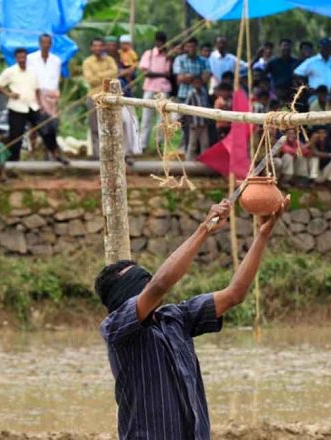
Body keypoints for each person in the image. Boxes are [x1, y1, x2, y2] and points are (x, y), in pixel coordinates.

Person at [95, 196, 289, 440]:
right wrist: (204, 229)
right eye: (140, 280)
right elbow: (160, 284)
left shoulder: (175, 318)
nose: (147, 283)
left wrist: (262, 235)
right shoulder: (116, 329)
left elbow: (234, 294)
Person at [0, 48, 45, 162]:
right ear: (16, 58)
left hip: (32, 106)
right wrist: (9, 94)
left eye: (23, 57)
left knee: (44, 129)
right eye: (19, 57)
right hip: (17, 106)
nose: (22, 59)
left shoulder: (33, 71)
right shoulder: (10, 71)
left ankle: (50, 155)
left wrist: (40, 103)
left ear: (26, 57)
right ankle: (14, 161)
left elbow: (37, 89)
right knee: (16, 135)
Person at [27, 33, 68, 164]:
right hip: (36, 95)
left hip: (51, 96)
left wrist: (55, 96)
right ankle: (32, 153)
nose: (46, 45)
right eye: (43, 43)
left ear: (51, 44)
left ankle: (49, 152)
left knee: (51, 125)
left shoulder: (56, 60)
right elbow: (31, 78)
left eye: (48, 43)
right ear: (39, 44)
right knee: (34, 126)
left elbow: (56, 79)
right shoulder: (31, 58)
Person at [83, 37, 119, 155]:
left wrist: (98, 75)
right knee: (94, 127)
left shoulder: (110, 60)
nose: (97, 48)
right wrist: (106, 77)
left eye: (100, 46)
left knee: (111, 125)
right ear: (91, 48)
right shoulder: (87, 62)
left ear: (103, 47)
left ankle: (111, 152)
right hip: (93, 97)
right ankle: (97, 154)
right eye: (95, 46)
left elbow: (115, 73)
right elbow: (90, 80)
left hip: (109, 98)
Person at [138, 32, 173, 151]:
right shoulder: (149, 54)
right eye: (158, 41)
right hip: (150, 88)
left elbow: (169, 74)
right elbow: (146, 73)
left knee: (162, 119)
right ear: (155, 42)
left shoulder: (168, 56)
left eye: (162, 42)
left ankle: (159, 144)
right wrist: (162, 74)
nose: (160, 44)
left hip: (164, 89)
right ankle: (143, 145)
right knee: (146, 118)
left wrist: (157, 74)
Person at [174, 37, 210, 103]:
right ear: (185, 48)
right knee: (183, 113)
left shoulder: (204, 61)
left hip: (200, 96)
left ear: (197, 47)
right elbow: (179, 79)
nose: (191, 49)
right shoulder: (179, 59)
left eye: (193, 46)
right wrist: (197, 77)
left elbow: (205, 79)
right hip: (183, 95)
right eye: (188, 46)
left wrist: (187, 76)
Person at [183, 75, 211, 160]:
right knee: (192, 144)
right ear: (192, 84)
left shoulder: (204, 93)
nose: (198, 84)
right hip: (194, 124)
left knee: (205, 144)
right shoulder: (191, 94)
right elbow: (186, 108)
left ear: (202, 83)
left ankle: (205, 161)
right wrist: (189, 122)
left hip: (203, 124)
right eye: (195, 83)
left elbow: (206, 106)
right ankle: (189, 163)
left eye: (199, 83)